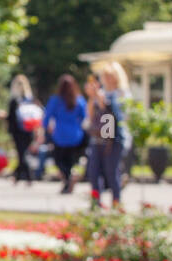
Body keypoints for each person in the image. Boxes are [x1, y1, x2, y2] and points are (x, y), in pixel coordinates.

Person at [85, 65, 125, 209]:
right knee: (93, 171)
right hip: (98, 138)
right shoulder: (101, 93)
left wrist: (101, 100)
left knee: (111, 172)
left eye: (110, 75)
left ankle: (116, 202)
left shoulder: (120, 94)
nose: (107, 79)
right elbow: (90, 115)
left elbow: (112, 115)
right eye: (105, 76)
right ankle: (96, 202)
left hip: (113, 139)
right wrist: (92, 97)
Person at [43, 74, 87, 193]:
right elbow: (85, 117)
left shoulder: (56, 100)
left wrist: (47, 129)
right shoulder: (79, 100)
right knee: (70, 159)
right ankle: (69, 178)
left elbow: (47, 117)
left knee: (59, 160)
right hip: (75, 134)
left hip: (60, 134)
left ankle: (67, 178)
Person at [4, 74, 41, 185]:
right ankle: (18, 176)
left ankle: (27, 175)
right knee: (23, 153)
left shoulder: (15, 101)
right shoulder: (30, 99)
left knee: (22, 154)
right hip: (28, 129)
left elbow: (10, 118)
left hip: (18, 130)